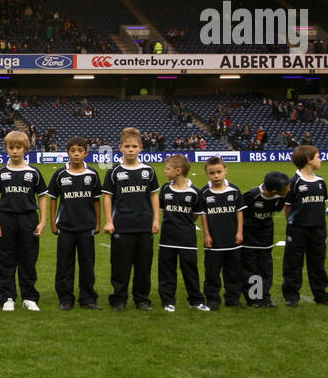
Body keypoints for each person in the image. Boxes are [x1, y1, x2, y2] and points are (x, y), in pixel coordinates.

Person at [101, 127, 160, 311]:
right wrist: (109, 221)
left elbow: (154, 196)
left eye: (134, 146)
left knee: (143, 265)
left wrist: (156, 219)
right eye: (127, 146)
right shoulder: (114, 171)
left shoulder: (148, 171)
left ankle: (142, 299)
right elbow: (108, 197)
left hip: (144, 225)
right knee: (120, 265)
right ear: (120, 147)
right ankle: (119, 298)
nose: (131, 149)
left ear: (141, 147)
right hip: (122, 225)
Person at [0, 130, 46, 312]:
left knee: (28, 259)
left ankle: (29, 297)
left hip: (28, 218)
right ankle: (7, 297)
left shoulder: (33, 172)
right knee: (6, 260)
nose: (15, 151)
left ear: (26, 149)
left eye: (18, 147)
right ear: (6, 149)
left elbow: (42, 197)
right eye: (11, 147)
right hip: (6, 219)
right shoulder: (1, 173)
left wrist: (43, 221)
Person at [44, 136, 102, 310]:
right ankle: (65, 298)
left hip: (87, 227)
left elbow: (97, 201)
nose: (76, 154)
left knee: (87, 264)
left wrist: (98, 222)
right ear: (68, 152)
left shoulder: (92, 174)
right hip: (66, 227)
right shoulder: (60, 174)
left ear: (86, 153)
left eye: (80, 151)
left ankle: (88, 298)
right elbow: (53, 199)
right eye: (73, 150)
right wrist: (53, 223)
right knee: (64, 265)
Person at [282, 145, 328, 307]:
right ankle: (291, 295)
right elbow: (288, 207)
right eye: (318, 157)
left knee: (318, 262)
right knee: (293, 263)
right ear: (308, 160)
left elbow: (320, 206)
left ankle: (321, 294)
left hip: (318, 229)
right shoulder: (294, 182)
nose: (321, 160)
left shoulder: (320, 182)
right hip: (298, 229)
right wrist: (292, 223)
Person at [156, 154, 208, 312]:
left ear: (178, 171)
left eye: (168, 168)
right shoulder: (165, 189)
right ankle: (168, 301)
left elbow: (196, 215)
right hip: (167, 237)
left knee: (190, 270)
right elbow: (163, 210)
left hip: (187, 237)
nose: (165, 171)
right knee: (167, 271)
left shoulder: (195, 192)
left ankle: (196, 300)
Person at [200, 157, 245, 310]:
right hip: (214, 241)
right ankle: (212, 299)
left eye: (219, 172)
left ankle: (233, 298)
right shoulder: (204, 193)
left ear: (225, 170)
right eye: (212, 173)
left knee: (233, 272)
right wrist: (207, 235)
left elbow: (239, 212)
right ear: (207, 174)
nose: (216, 176)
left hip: (233, 239)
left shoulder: (234, 190)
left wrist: (240, 232)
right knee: (212, 273)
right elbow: (203, 215)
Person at [240, 171, 289, 308]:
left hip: (266, 236)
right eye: (286, 187)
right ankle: (253, 298)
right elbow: (239, 215)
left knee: (265, 269)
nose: (289, 189)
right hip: (249, 238)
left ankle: (265, 297)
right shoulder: (251, 196)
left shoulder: (281, 197)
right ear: (273, 190)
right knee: (250, 269)